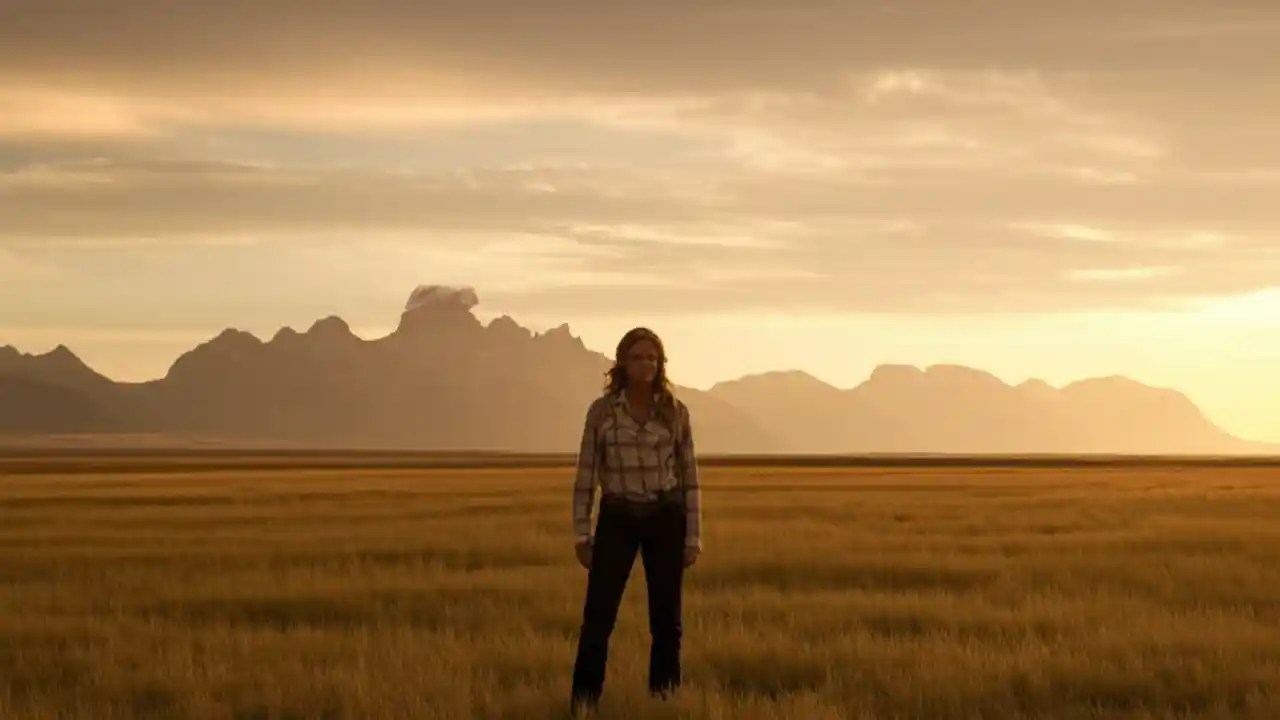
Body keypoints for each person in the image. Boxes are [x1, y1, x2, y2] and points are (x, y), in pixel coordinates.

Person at [568, 326, 702, 714]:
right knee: (598, 617)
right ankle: (583, 704)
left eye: (652, 357)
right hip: (619, 518)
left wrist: (693, 537)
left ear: (660, 365)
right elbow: (586, 476)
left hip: (665, 518)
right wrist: (581, 533)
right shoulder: (602, 412)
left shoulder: (676, 412)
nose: (645, 364)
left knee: (667, 623)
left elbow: (690, 478)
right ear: (622, 363)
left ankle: (664, 703)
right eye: (637, 357)